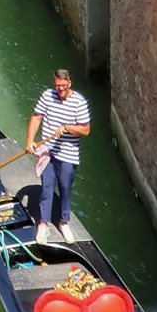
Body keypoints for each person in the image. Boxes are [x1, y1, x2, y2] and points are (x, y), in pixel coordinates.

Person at [26, 68, 90, 244]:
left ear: (69, 83)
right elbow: (37, 117)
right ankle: (43, 225)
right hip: (48, 152)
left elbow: (85, 129)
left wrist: (67, 128)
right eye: (57, 86)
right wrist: (30, 141)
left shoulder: (79, 102)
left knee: (64, 189)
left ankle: (63, 222)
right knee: (46, 188)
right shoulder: (48, 96)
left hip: (68, 155)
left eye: (63, 86)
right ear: (54, 83)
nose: (60, 89)